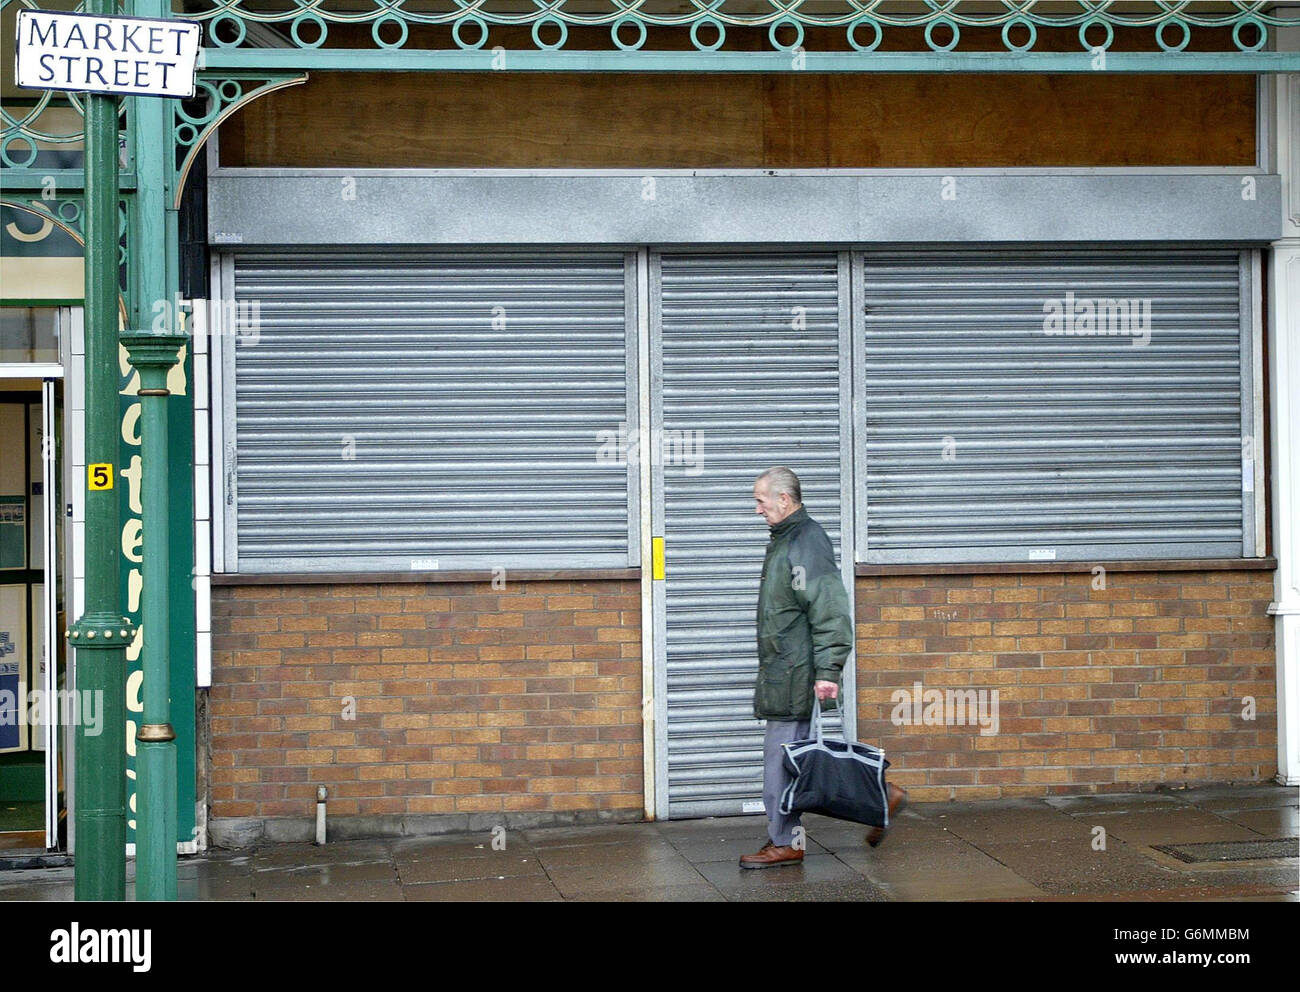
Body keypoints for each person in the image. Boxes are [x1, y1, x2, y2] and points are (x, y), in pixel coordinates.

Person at [739, 466, 906, 868]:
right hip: (785, 671)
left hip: (795, 674)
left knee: (780, 766)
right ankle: (880, 796)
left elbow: (830, 610)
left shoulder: (805, 540)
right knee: (793, 761)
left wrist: (828, 670)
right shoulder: (787, 540)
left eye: (760, 500)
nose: (756, 509)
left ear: (784, 499)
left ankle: (786, 842)